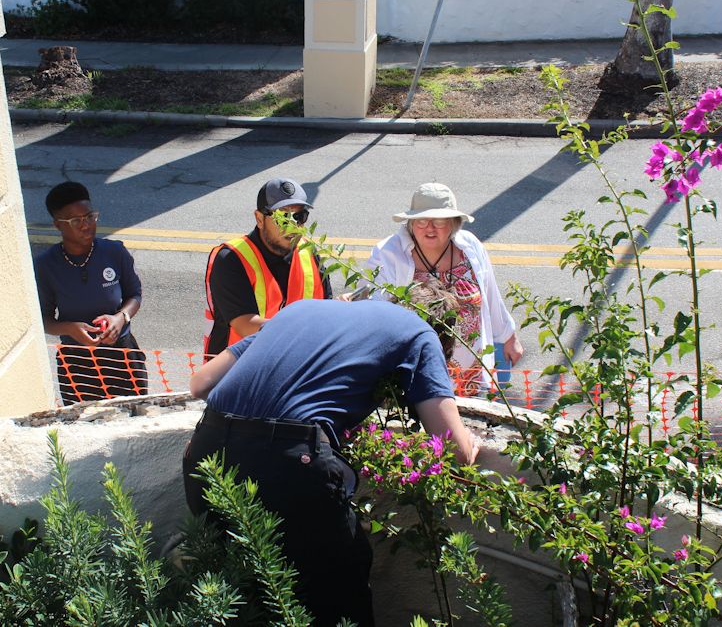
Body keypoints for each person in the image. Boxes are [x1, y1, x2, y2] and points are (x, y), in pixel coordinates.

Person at [183, 297, 479, 626]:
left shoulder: (300, 309)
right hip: (289, 463)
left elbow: (201, 383)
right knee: (337, 597)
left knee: (245, 599)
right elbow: (455, 450)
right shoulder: (420, 334)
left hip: (206, 448)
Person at [363, 181, 523, 393]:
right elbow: (376, 311)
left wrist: (509, 337)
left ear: (453, 223)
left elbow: (491, 295)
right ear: (411, 222)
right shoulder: (389, 252)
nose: (429, 227)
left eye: (438, 220)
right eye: (421, 220)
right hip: (417, 371)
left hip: (471, 371)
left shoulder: (470, 246)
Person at [33, 182, 147, 404]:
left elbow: (134, 294)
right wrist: (70, 329)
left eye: (90, 217)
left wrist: (120, 318)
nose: (86, 225)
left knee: (133, 418)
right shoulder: (45, 265)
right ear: (58, 225)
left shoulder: (115, 252)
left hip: (122, 357)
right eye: (76, 221)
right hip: (77, 365)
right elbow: (43, 320)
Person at [202, 177, 333, 360]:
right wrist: (303, 330)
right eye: (282, 217)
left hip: (292, 367)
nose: (292, 226)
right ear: (259, 218)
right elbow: (245, 325)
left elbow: (325, 311)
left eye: (299, 216)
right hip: (235, 374)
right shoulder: (231, 258)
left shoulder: (309, 252)